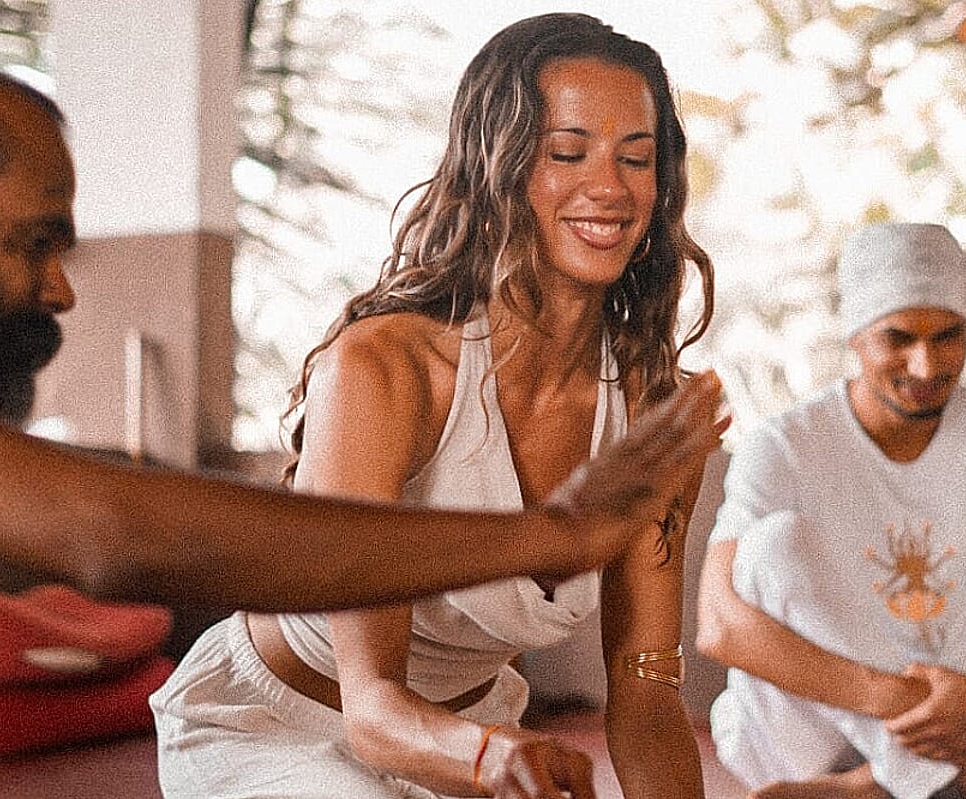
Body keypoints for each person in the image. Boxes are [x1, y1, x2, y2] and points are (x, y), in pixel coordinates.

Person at [152, 13, 718, 799]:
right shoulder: (386, 369)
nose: (611, 188)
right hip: (288, 723)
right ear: (499, 165)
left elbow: (648, 693)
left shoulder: (657, 410)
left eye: (637, 158)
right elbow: (373, 709)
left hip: (473, 733)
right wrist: (488, 758)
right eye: (567, 152)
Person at [0, 58, 725, 615]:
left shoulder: (643, 390)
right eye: (35, 241)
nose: (61, 289)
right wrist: (553, 534)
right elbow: (108, 531)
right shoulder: (388, 361)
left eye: (637, 159)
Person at [696, 222, 966, 799]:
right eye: (899, 338)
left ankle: (876, 786)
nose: (926, 366)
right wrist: (905, 703)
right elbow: (719, 624)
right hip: (821, 740)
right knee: (768, 547)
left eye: (948, 336)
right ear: (855, 336)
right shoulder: (782, 445)